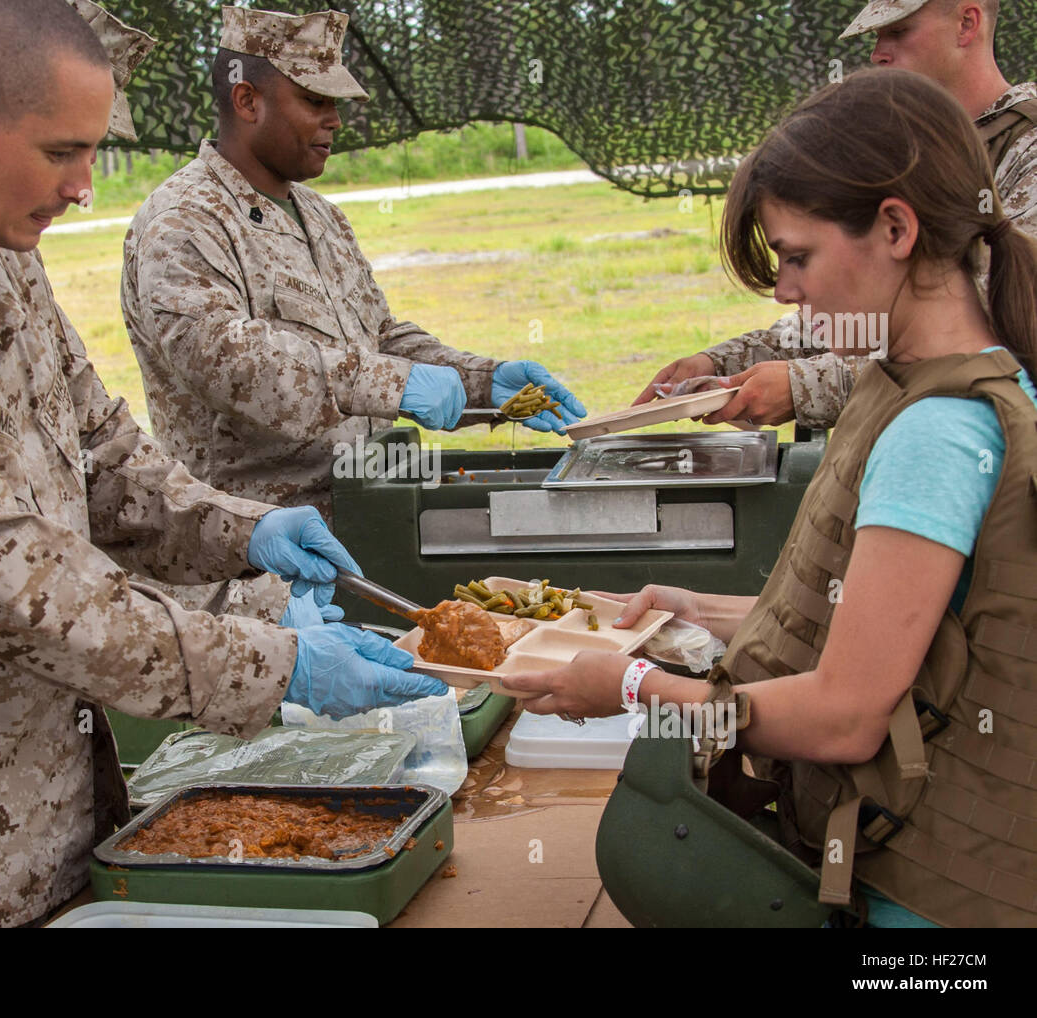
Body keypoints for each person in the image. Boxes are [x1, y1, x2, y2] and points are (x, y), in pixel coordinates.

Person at [0, 0, 441, 928]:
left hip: (53, 803)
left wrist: (242, 529)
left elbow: (101, 449)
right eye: (63, 151)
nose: (84, 186)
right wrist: (275, 667)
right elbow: (15, 588)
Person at [504, 68, 1037, 927]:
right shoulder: (908, 385)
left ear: (895, 227)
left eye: (798, 256)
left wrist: (634, 686)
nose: (784, 290)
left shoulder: (940, 432)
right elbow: (887, 629)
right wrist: (694, 611)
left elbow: (845, 718)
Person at [121, 6, 586, 517]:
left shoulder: (321, 217)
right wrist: (397, 385)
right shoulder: (184, 220)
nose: (335, 121)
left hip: (363, 518)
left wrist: (482, 382)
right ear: (247, 99)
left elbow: (380, 339)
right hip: (255, 556)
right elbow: (229, 363)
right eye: (315, 101)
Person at [633, 0, 1037, 432]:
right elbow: (865, 310)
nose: (877, 53)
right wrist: (725, 363)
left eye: (898, 32)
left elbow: (981, 332)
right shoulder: (915, 151)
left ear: (966, 23)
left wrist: (803, 386)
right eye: (876, 37)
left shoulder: (1025, 150)